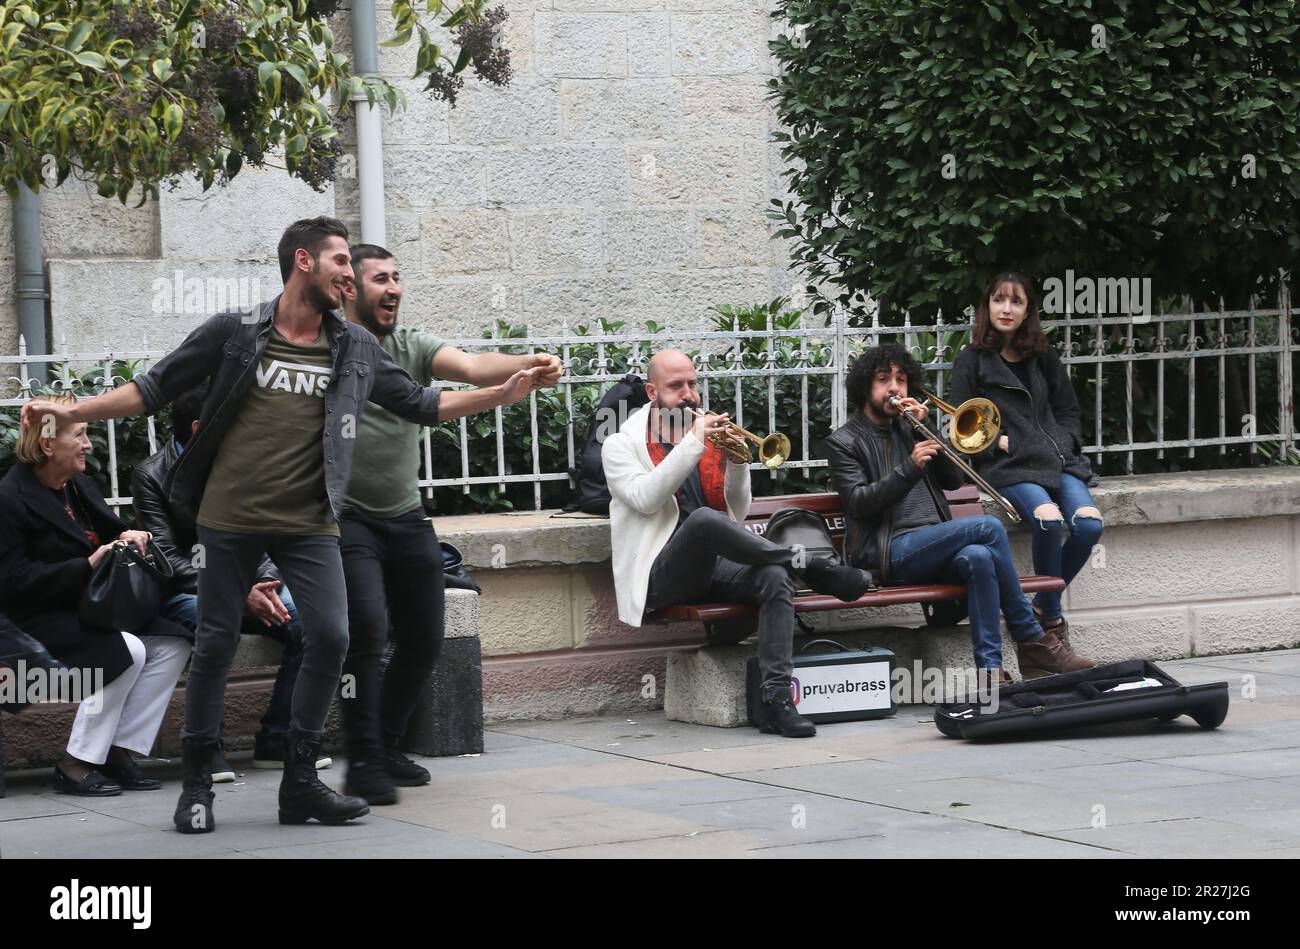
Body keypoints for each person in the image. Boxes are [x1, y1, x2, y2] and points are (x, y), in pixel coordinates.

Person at [20, 217, 547, 833]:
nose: (350, 275)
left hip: (311, 522)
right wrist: (72, 409)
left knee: (330, 635)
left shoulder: (353, 346)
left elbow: (420, 404)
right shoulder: (237, 331)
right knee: (214, 646)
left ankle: (300, 780)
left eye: (353, 265)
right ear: (304, 261)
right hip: (228, 522)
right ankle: (196, 786)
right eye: (341, 262)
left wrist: (503, 393)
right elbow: (152, 388)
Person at [335, 244, 560, 804]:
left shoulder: (411, 346)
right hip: (346, 518)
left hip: (406, 515)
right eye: (380, 279)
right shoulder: (333, 349)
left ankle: (384, 743)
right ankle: (361, 755)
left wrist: (530, 364)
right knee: (365, 630)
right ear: (351, 290)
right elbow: (437, 399)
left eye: (397, 278)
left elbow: (472, 366)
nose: (394, 288)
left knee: (425, 635)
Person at [602, 349, 874, 737]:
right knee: (701, 520)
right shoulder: (621, 444)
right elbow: (646, 498)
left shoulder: (703, 437)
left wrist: (739, 462)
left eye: (692, 384)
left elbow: (738, 511)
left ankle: (777, 701)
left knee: (774, 577)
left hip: (713, 562)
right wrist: (692, 444)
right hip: (661, 574)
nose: (688, 394)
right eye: (675, 386)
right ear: (651, 391)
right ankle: (812, 567)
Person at [822, 344, 1094, 681]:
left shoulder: (911, 428)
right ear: (865, 387)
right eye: (883, 380)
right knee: (987, 527)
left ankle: (990, 673)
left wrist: (930, 431)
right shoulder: (844, 441)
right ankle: (1031, 638)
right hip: (887, 552)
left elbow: (952, 481)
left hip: (932, 545)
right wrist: (908, 468)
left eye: (901, 380)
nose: (895, 388)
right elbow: (858, 503)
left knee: (979, 557)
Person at [132, 381, 331, 781]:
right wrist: (238, 593)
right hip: (187, 592)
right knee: (215, 630)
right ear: (196, 427)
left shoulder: (242, 465)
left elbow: (268, 537)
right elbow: (168, 560)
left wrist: (266, 585)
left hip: (251, 585)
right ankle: (207, 749)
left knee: (313, 626)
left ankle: (277, 740)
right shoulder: (151, 476)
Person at [0, 394, 193, 796]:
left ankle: (117, 750)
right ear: (49, 444)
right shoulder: (9, 498)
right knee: (128, 650)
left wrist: (128, 535)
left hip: (93, 607)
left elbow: (109, 530)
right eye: (81, 434)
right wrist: (86, 565)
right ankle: (76, 763)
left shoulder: (77, 484)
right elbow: (14, 582)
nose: (89, 444)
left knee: (172, 643)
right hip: (40, 616)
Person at [948, 272, 1104, 648]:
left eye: (1016, 301)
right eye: (999, 300)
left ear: (1027, 310)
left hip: (1057, 461)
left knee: (1089, 526)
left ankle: (1043, 604)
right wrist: (997, 445)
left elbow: (1068, 410)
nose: (1006, 308)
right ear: (987, 306)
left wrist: (1066, 444)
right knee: (1048, 520)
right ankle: (1052, 621)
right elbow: (958, 424)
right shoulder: (972, 359)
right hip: (1010, 466)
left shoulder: (1042, 355)